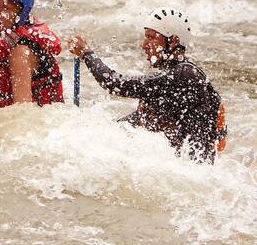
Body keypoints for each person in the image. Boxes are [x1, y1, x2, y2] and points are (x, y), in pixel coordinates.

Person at [68, 8, 225, 162]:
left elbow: (114, 83)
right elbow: (143, 118)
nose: (144, 45)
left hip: (193, 170)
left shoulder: (183, 74)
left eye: (151, 38)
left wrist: (87, 53)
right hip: (183, 166)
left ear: (174, 41)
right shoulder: (176, 72)